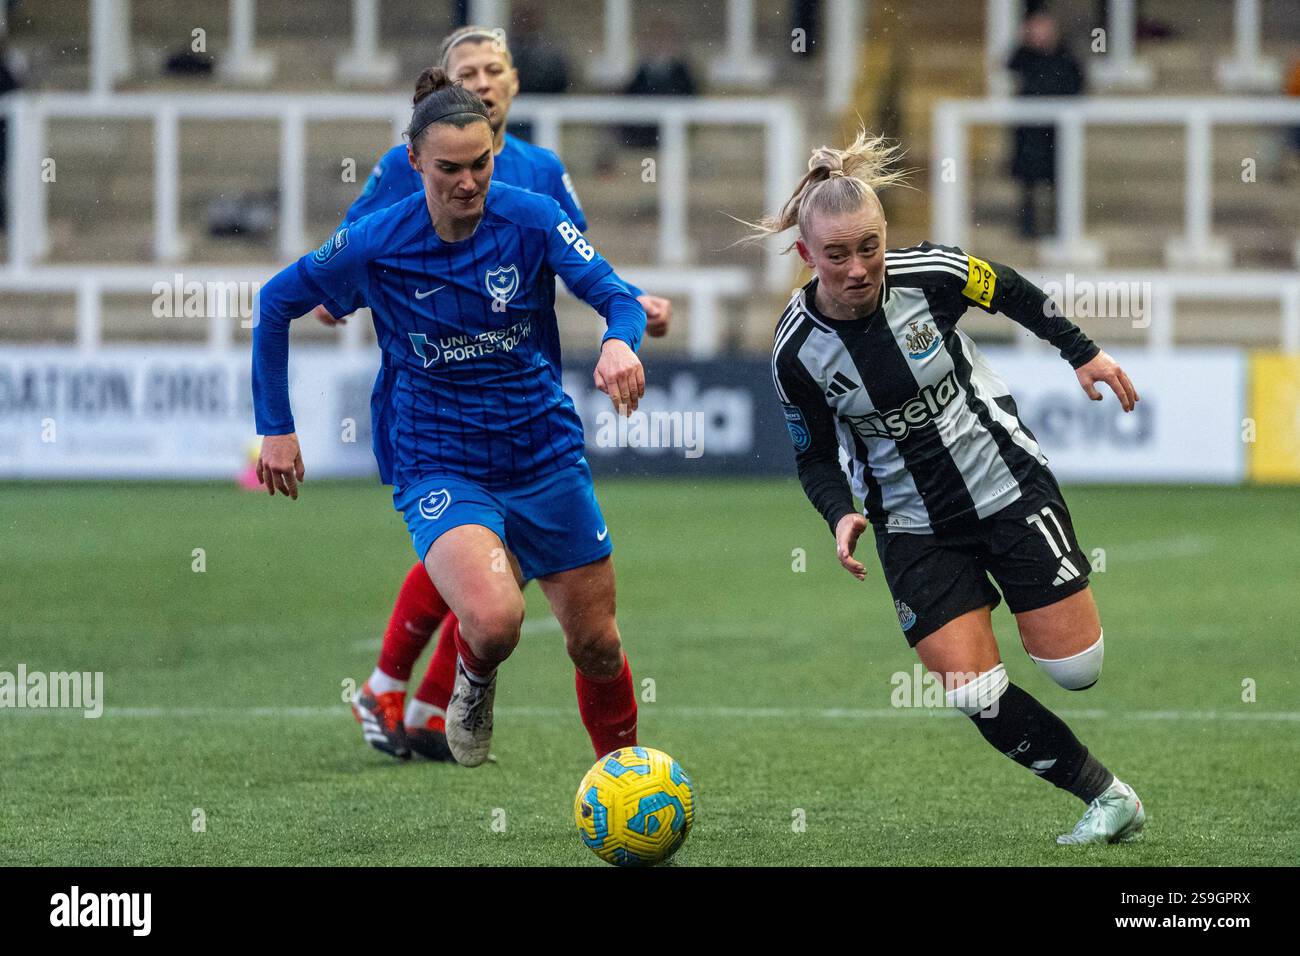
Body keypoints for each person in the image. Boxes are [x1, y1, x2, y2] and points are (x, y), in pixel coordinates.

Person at [760, 129, 1147, 845]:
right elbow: (812, 456)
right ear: (805, 255)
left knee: (1077, 669)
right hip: (910, 526)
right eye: (837, 254)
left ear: (884, 237)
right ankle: (1106, 796)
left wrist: (1082, 353)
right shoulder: (794, 351)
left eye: (869, 246)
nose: (856, 268)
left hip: (1007, 485)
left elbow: (1013, 291)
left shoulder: (931, 272)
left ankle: (1036, 611)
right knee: (973, 689)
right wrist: (839, 515)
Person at [253, 73, 647, 770]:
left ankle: (626, 777)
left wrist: (619, 340)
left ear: (496, 151)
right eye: (449, 169)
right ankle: (472, 677)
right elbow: (275, 303)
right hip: (439, 457)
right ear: (414, 163)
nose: (468, 183)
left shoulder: (530, 216)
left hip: (543, 452)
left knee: (598, 644)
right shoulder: (375, 239)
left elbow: (617, 297)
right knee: (495, 620)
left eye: (480, 164)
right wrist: (276, 427)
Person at [1006, 10, 1083, 239]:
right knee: (1027, 184)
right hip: (1030, 134)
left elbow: (1077, 84)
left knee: (1059, 180)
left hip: (1056, 133)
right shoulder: (1023, 56)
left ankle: (1060, 226)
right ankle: (1027, 226)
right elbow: (1009, 67)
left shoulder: (1065, 56)